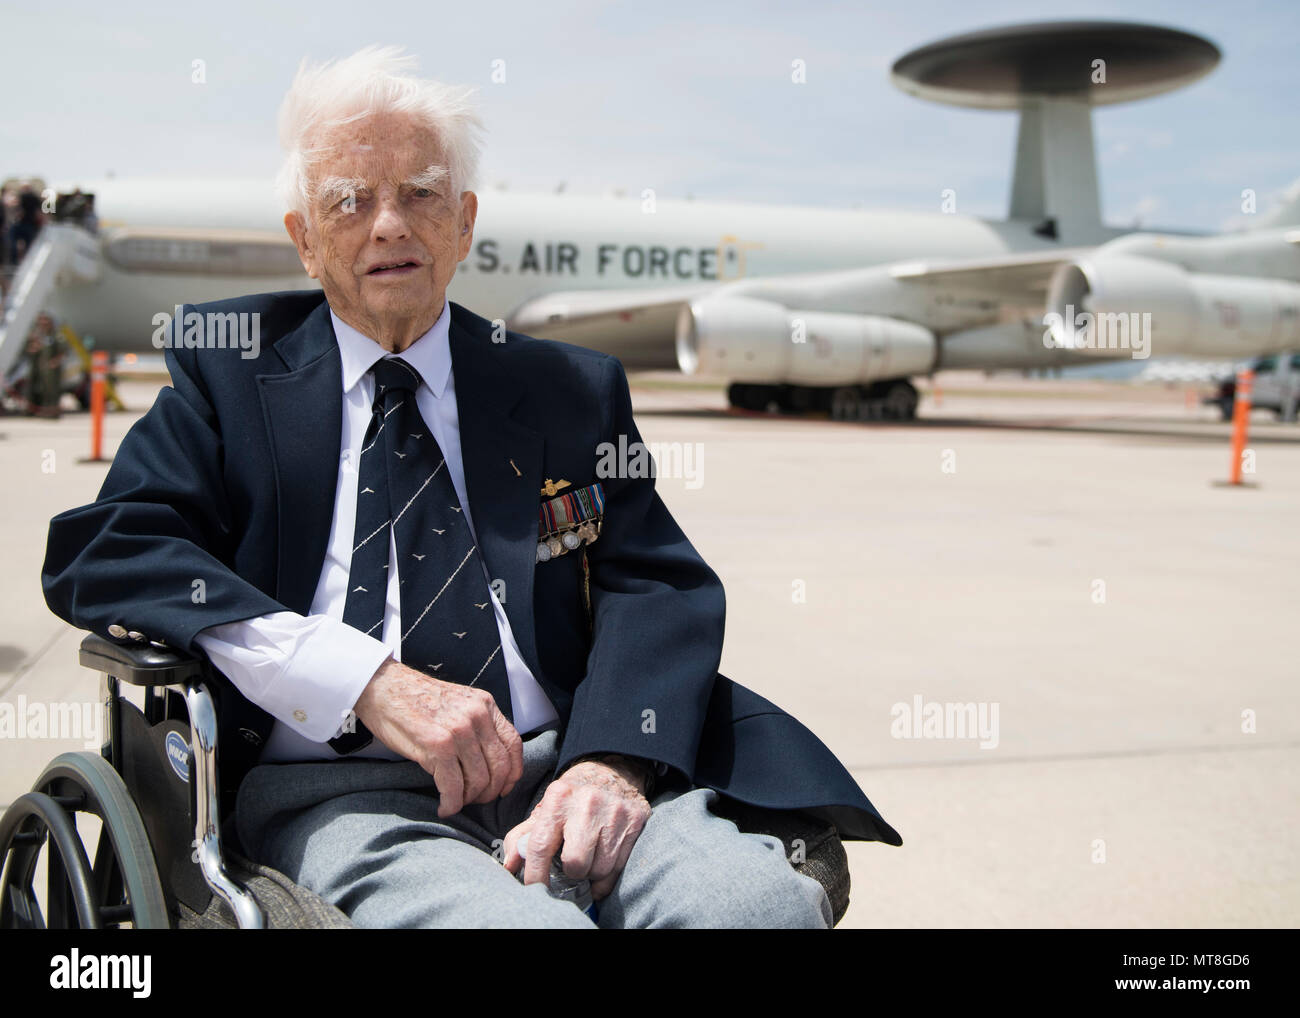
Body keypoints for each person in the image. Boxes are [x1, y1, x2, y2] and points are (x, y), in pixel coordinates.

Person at [41, 46, 899, 929]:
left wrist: (611, 764)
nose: (389, 226)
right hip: (346, 792)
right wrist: (364, 678)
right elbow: (106, 551)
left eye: (419, 194)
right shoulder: (230, 372)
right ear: (305, 240)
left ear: (464, 222)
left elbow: (659, 582)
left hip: (568, 764)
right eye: (349, 200)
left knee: (755, 909)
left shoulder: (572, 388)